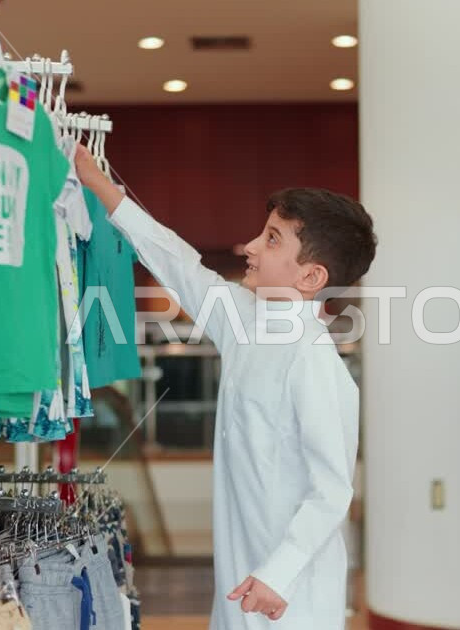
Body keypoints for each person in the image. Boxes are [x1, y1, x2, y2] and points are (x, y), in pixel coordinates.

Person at [74, 145, 376, 629]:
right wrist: (98, 184)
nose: (251, 247)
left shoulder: (314, 360)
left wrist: (278, 575)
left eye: (272, 239)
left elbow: (332, 491)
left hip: (290, 600)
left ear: (311, 276)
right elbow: (177, 262)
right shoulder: (245, 319)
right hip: (238, 586)